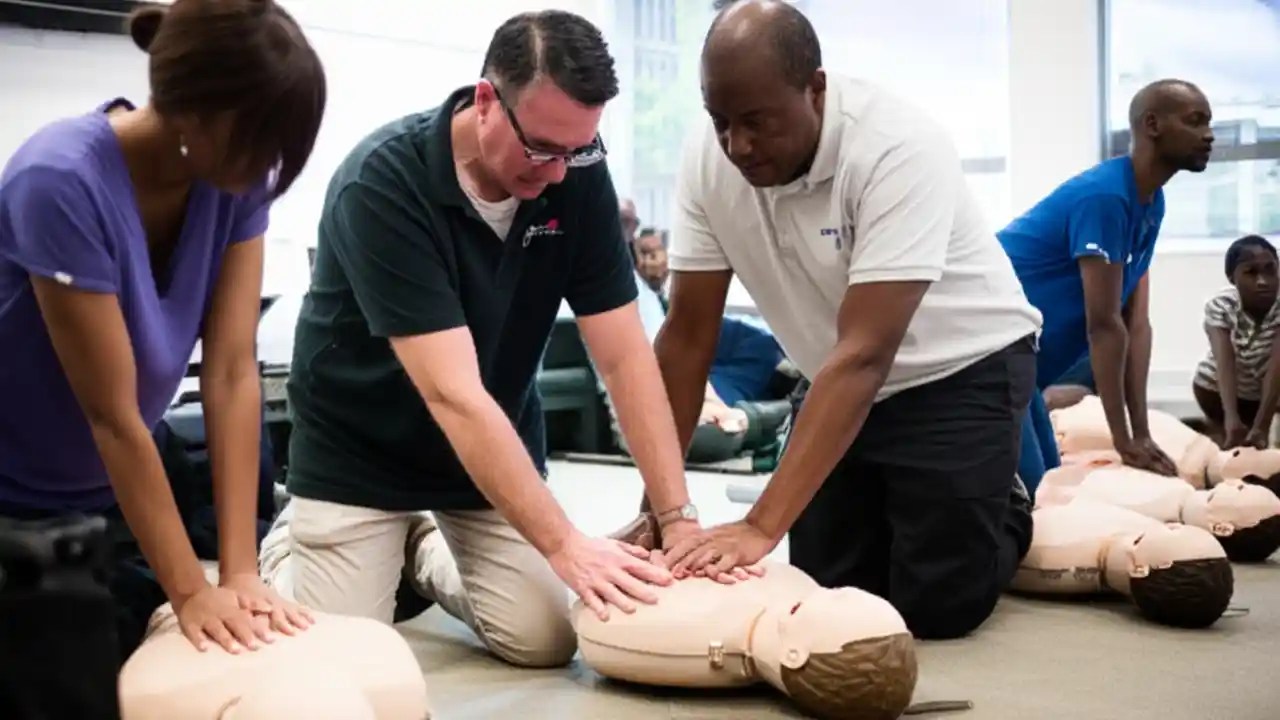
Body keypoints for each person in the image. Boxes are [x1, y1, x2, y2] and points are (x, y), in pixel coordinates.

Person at [263, 10, 716, 669]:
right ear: (485, 102)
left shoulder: (575, 173)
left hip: (489, 448)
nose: (558, 172)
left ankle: (420, 551)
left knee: (547, 638)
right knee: (347, 662)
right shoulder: (384, 184)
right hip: (360, 450)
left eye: (576, 150)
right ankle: (293, 547)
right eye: (541, 148)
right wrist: (566, 543)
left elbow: (622, 358)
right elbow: (452, 395)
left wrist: (677, 517)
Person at [650, 0, 1043, 640]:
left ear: (816, 89)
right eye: (720, 121)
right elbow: (689, 337)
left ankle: (1007, 502)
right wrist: (661, 509)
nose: (737, 145)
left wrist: (759, 526)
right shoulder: (709, 157)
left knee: (934, 610)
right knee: (830, 592)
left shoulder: (897, 147)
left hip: (958, 370)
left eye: (756, 122)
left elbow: (866, 352)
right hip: (836, 377)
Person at [0, 0, 324, 662]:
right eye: (262, 141)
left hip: (111, 491)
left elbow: (232, 372)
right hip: (17, 497)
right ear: (195, 112)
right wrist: (189, 592)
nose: (270, 166)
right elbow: (112, 415)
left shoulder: (235, 182)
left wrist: (239, 575)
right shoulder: (59, 180)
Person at [998, 79, 1215, 488]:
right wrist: (1123, 441)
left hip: (1028, 369)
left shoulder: (1151, 203)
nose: (1209, 135)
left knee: (1049, 481)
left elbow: (1135, 324)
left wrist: (1141, 434)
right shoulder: (1105, 197)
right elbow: (1104, 325)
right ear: (1152, 124)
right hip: (990, 357)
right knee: (1033, 494)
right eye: (1195, 121)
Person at [1193, 235, 1280, 449]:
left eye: (1271, 269)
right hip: (1215, 390)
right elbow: (1225, 361)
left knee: (1261, 455)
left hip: (1267, 392)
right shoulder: (1222, 305)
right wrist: (1230, 418)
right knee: (1228, 453)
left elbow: (1276, 369)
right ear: (1232, 277)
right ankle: (1212, 435)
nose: (1263, 281)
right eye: (1251, 272)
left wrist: (1262, 425)